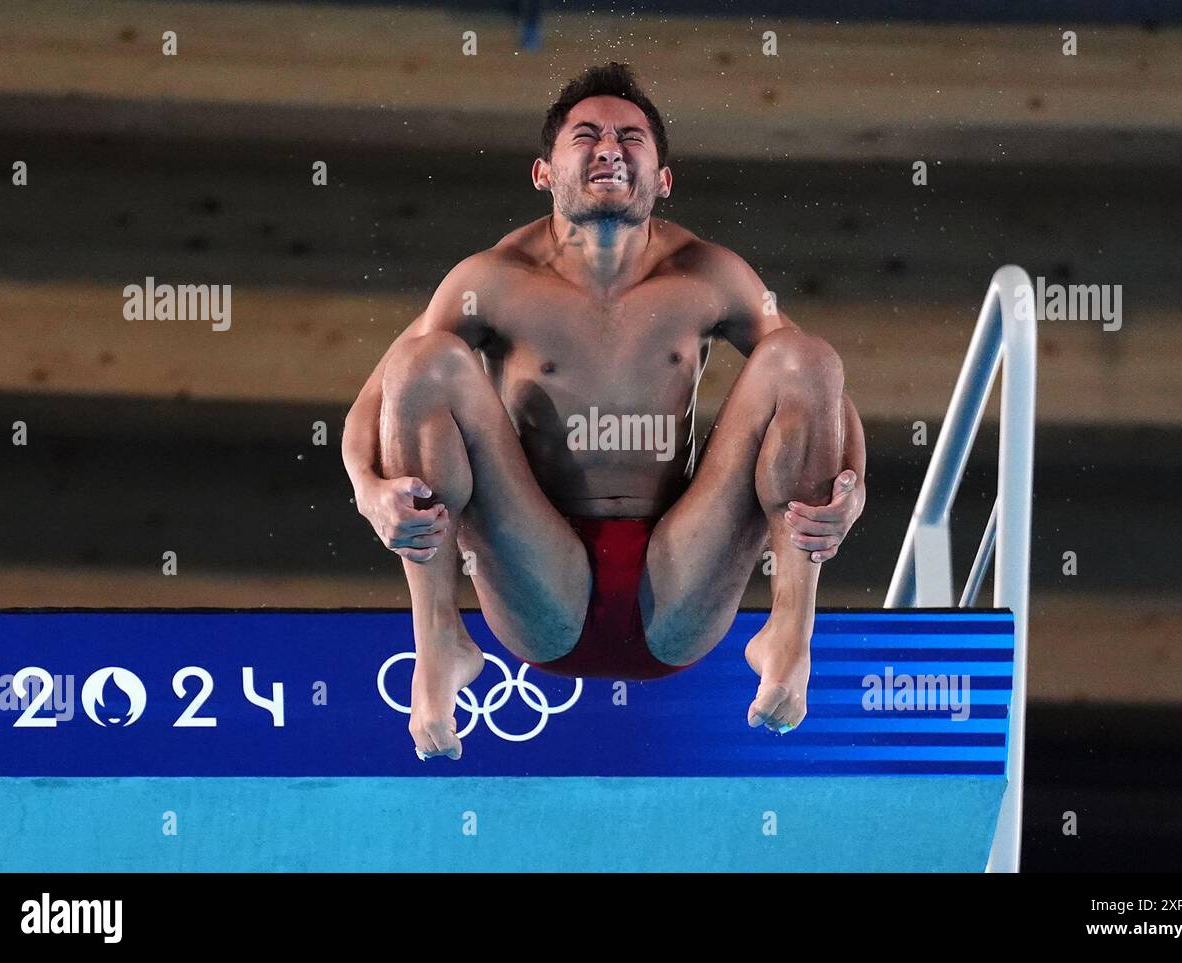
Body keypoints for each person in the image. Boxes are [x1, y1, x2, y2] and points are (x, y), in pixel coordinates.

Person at [342, 62, 867, 761]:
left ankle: (789, 630)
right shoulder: (490, 279)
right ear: (543, 173)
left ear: (664, 178)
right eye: (585, 134)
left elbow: (824, 388)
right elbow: (372, 407)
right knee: (421, 361)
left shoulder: (710, 272)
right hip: (539, 579)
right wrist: (369, 493)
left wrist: (851, 488)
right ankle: (438, 640)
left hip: (681, 579)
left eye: (631, 137)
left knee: (804, 357)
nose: (609, 147)